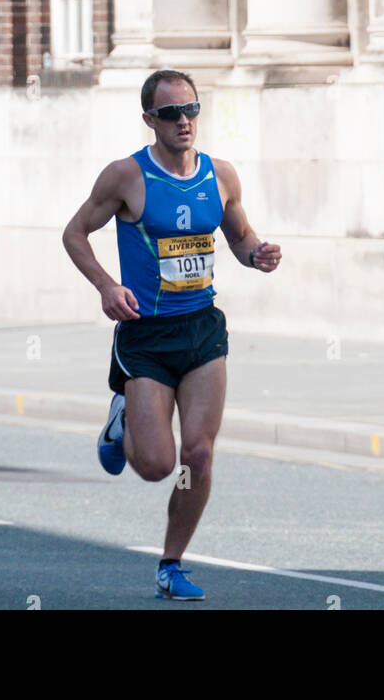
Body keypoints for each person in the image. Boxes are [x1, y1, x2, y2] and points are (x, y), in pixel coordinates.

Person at [62, 68, 282, 601]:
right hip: (146, 334)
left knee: (199, 456)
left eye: (191, 109)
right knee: (158, 465)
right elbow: (75, 234)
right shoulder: (126, 177)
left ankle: (171, 563)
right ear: (149, 120)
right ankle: (120, 421)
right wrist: (106, 286)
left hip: (203, 329)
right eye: (170, 113)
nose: (184, 121)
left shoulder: (220, 175)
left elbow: (239, 234)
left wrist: (257, 254)